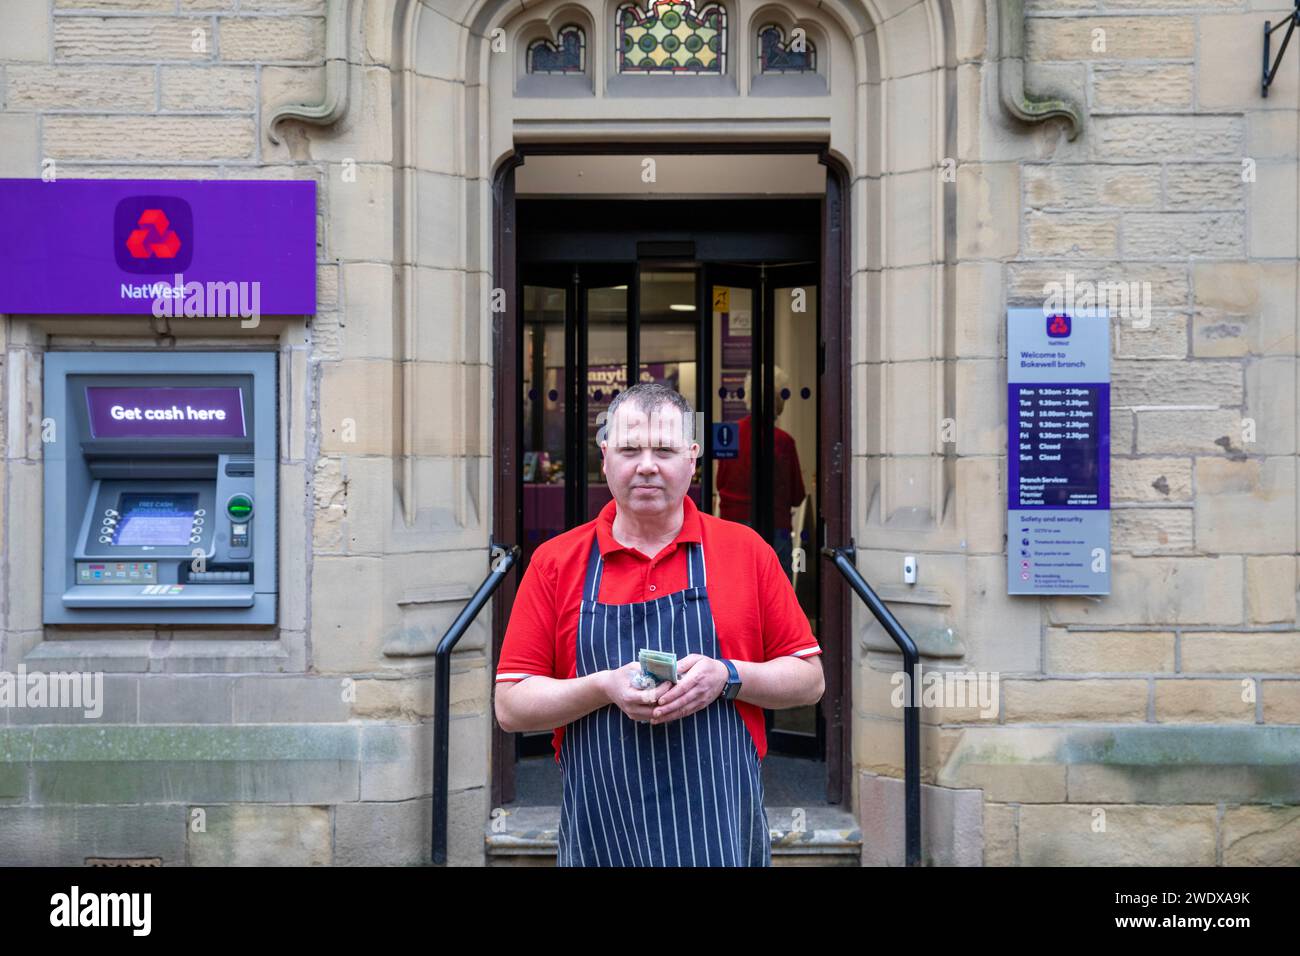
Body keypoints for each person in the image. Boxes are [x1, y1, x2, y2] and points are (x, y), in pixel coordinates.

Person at [494, 382, 824, 866]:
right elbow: (511, 706)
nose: (647, 465)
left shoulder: (746, 551)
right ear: (605, 456)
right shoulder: (556, 562)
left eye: (664, 449)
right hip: (601, 832)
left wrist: (728, 676)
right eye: (630, 449)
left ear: (692, 459)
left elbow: (810, 680)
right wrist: (605, 686)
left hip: (717, 834)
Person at [714, 366, 807, 578]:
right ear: (778, 401)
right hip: (774, 530)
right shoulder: (783, 442)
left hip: (731, 527)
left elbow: (720, 483)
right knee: (773, 596)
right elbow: (796, 495)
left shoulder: (730, 434)